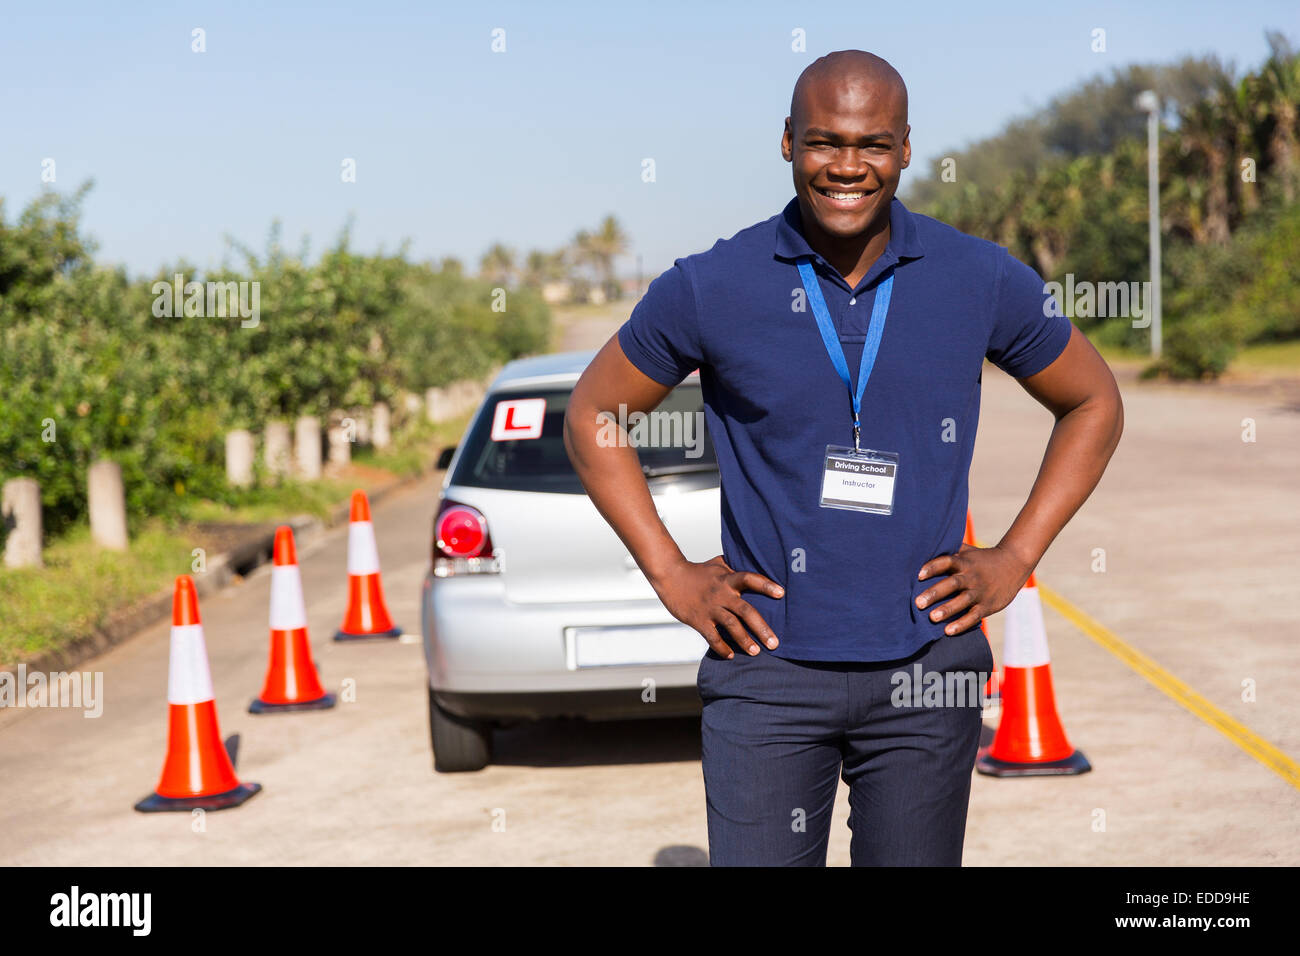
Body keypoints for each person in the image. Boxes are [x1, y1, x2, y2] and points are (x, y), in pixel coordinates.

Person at [563, 50, 1123, 866]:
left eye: (873, 144)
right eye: (825, 142)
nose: (848, 167)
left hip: (928, 668)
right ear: (788, 142)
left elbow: (1094, 400)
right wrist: (672, 574)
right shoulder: (712, 285)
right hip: (767, 673)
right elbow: (593, 414)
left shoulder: (977, 278)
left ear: (904, 148)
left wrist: (1015, 556)